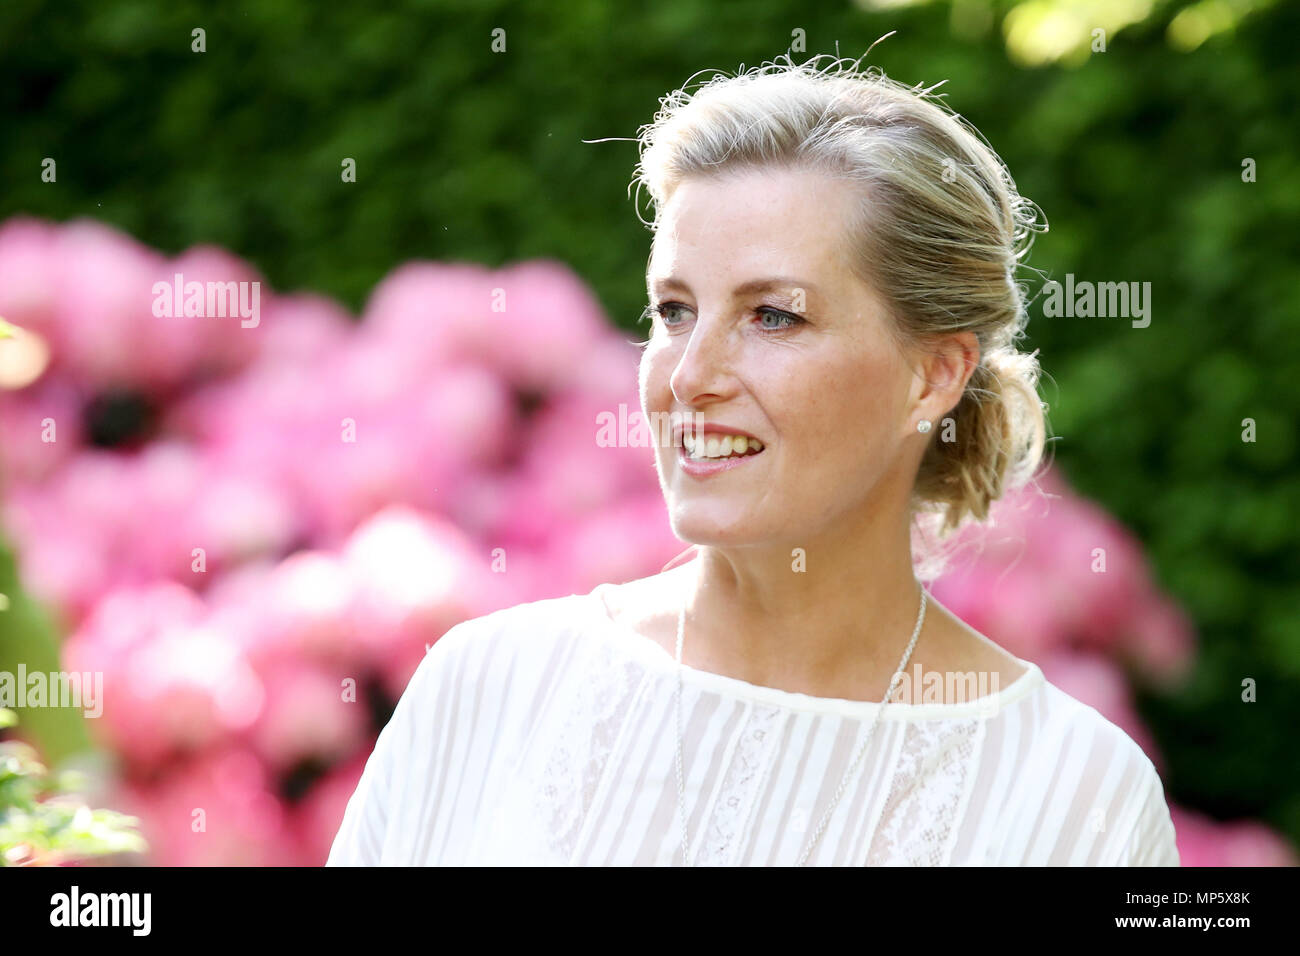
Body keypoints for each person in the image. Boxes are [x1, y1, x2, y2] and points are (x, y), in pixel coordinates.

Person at [327, 55, 1180, 866]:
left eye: (772, 316)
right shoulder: (486, 692)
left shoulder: (1074, 794)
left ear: (934, 374)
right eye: (673, 310)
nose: (690, 377)